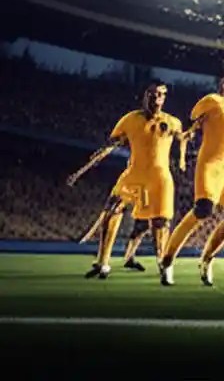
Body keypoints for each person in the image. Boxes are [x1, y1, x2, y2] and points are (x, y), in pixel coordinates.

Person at [67, 82, 185, 279]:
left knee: (160, 222)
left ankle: (163, 264)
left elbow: (182, 139)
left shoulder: (173, 122)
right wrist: (81, 171)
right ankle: (102, 262)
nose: (155, 98)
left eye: (160, 95)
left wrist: (181, 159)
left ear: (164, 99)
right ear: (144, 96)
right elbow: (109, 145)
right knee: (111, 212)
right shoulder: (130, 120)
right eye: (151, 94)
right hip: (134, 175)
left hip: (159, 178)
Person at [159, 60, 224, 287]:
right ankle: (167, 259)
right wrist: (193, 128)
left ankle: (207, 259)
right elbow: (193, 118)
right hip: (211, 165)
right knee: (203, 210)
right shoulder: (212, 101)